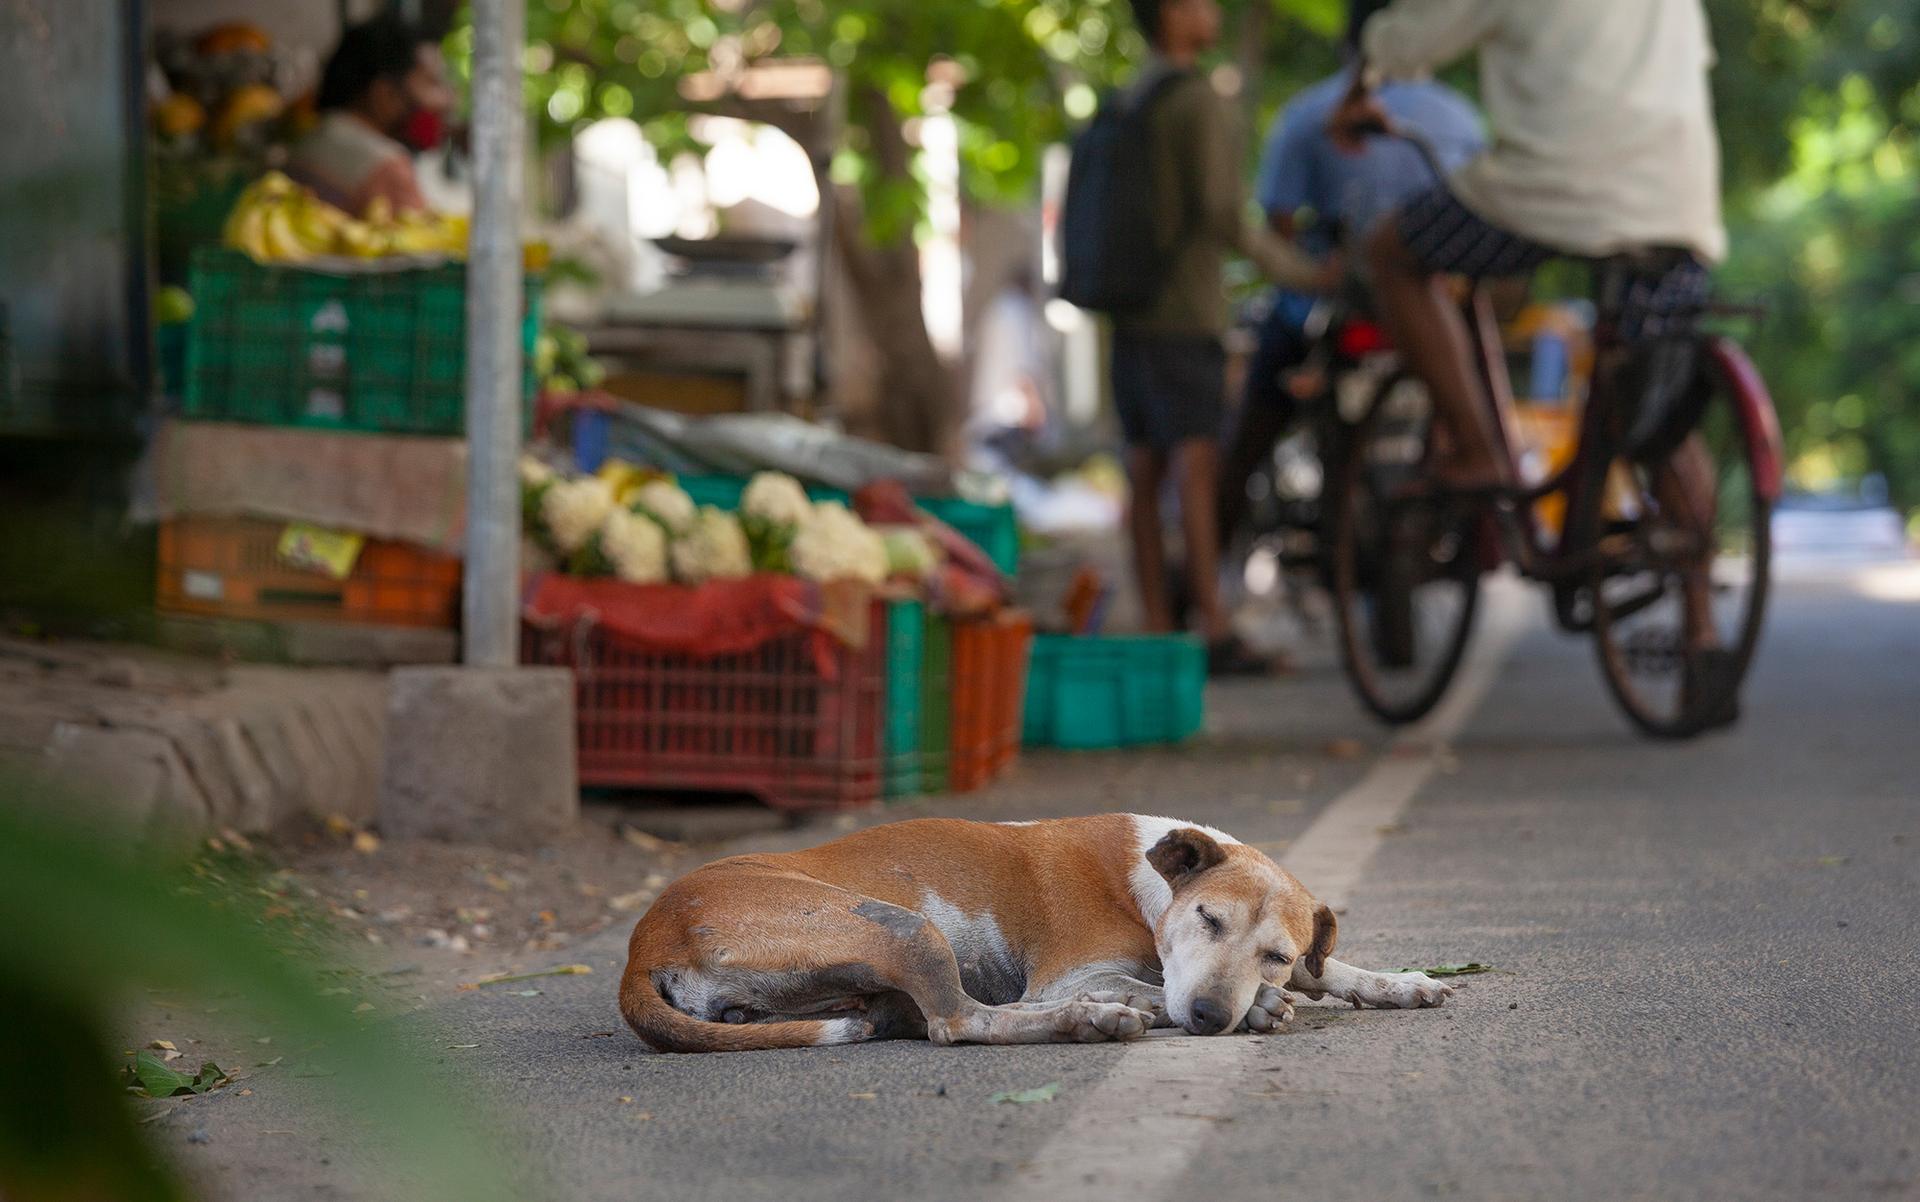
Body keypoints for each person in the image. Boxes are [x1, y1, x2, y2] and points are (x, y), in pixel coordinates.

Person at [1335, 0, 1733, 701]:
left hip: (1552, 195)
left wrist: (1363, 77)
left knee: (1393, 253)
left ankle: (1479, 445)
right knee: (1659, 406)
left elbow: (1410, 37)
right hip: (1676, 202)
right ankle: (1702, 637)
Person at [1115, 0, 1337, 674]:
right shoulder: (1195, 99)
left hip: (1128, 310)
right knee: (1195, 464)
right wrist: (1307, 274)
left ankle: (1158, 625)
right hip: (1186, 311)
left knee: (1144, 470)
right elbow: (1223, 215)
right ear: (1172, 13)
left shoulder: (1128, 97)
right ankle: (1211, 624)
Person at [1217, 0, 1484, 547]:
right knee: (1478, 376)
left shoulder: (1307, 114)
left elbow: (1280, 227)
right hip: (1437, 302)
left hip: (1337, 300)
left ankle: (1208, 562)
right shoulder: (1462, 118)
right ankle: (1488, 520)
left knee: (1254, 421)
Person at [288, 16, 454, 216]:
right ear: (386, 94)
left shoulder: (308, 138)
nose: (448, 100)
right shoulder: (388, 167)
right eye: (433, 82)